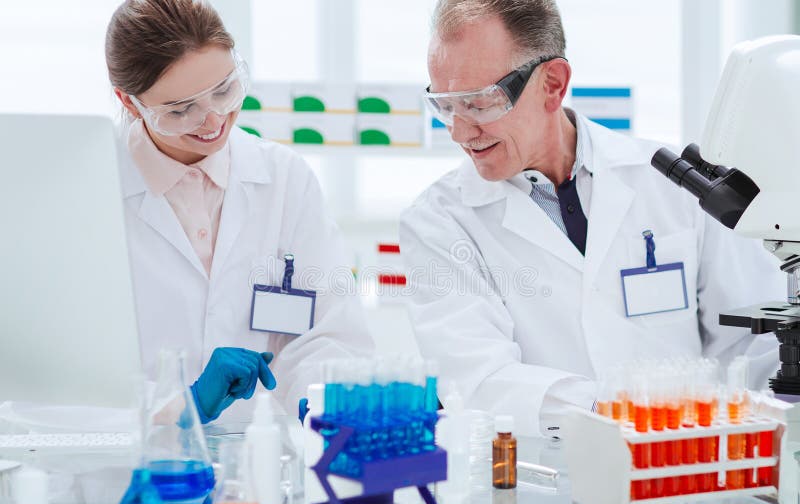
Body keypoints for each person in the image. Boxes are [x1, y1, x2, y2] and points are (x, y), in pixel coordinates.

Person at [400, 0, 784, 437]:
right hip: (540, 485)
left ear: (553, 84)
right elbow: (478, 379)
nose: (460, 132)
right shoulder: (438, 221)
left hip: (691, 469)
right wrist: (625, 413)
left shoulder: (668, 183)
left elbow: (753, 342)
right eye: (446, 106)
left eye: (481, 103)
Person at [105, 0, 373, 423]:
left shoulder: (285, 180)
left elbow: (328, 333)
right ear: (130, 102)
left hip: (261, 466)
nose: (213, 120)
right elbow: (63, 383)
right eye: (179, 110)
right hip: (131, 475)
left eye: (224, 90)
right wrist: (181, 408)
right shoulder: (95, 191)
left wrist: (321, 403)